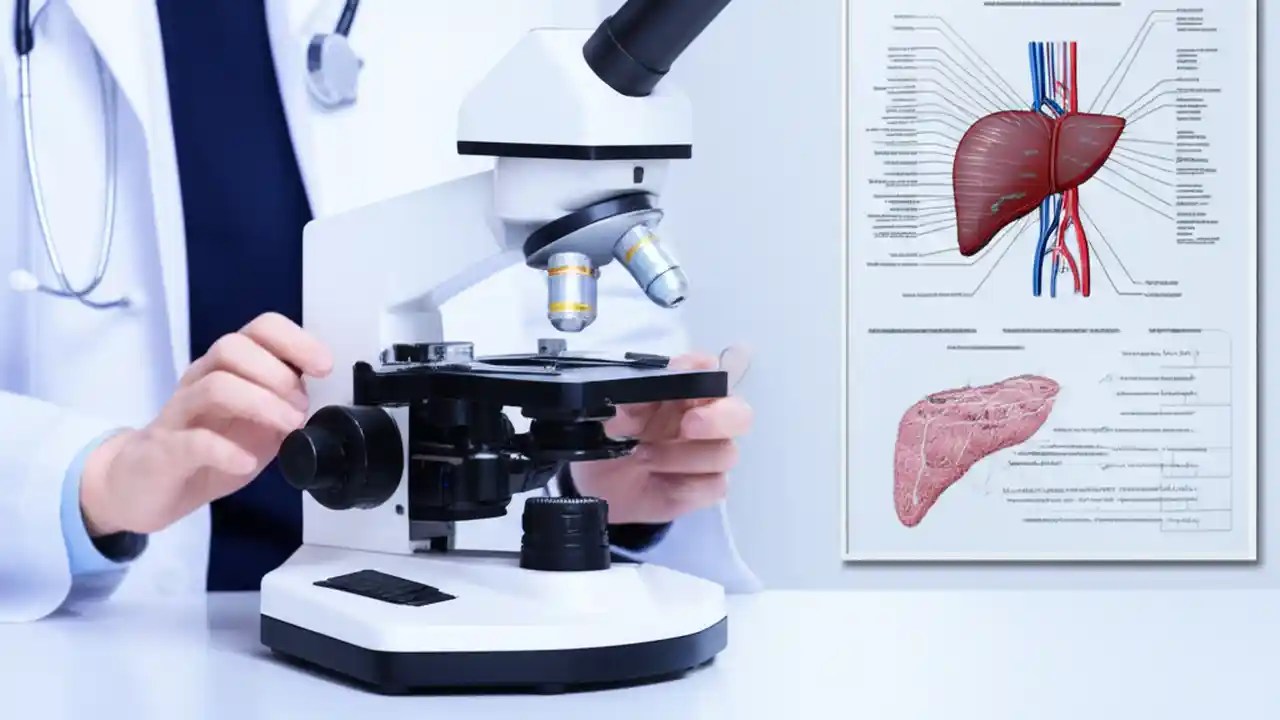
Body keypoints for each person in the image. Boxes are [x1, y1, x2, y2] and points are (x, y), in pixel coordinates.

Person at [0, 0, 758, 623]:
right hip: (106, 642)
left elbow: (604, 320)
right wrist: (90, 482)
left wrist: (600, 475)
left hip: (459, 602)